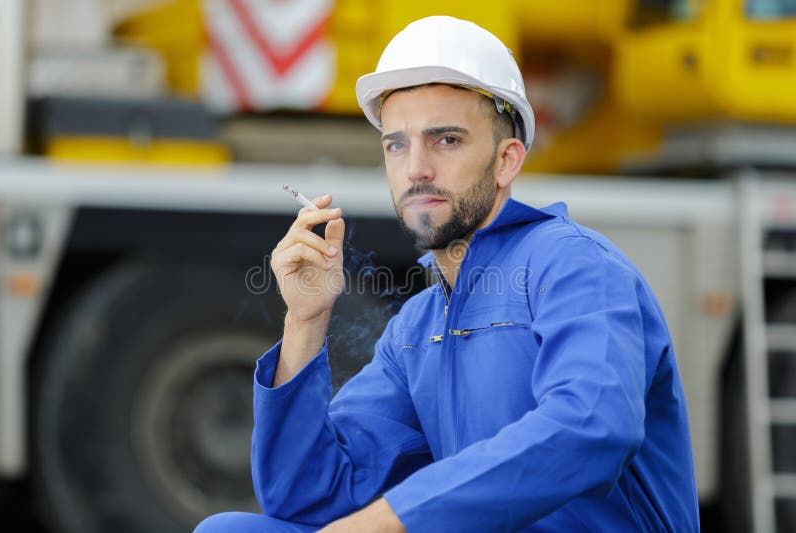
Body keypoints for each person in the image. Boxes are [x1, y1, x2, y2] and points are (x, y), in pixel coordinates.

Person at [195, 15, 700, 533]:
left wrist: (395, 518)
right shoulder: (417, 329)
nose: (416, 168)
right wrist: (305, 322)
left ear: (507, 160)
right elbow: (310, 499)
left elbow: (593, 426)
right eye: (397, 144)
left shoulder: (575, 267)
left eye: (447, 140)